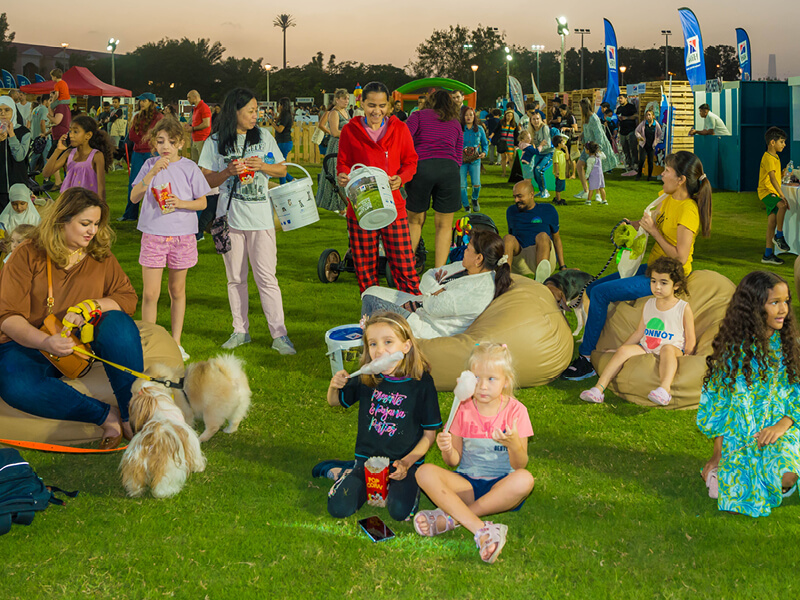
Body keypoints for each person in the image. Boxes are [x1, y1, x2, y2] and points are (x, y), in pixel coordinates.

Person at [0, 188, 141, 448]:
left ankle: (131, 415)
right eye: (85, 223)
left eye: (97, 224)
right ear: (62, 220)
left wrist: (91, 306)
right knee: (16, 385)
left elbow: (126, 298)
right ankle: (103, 415)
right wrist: (45, 342)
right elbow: (7, 317)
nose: (92, 231)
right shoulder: (27, 254)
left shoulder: (100, 255)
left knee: (119, 325)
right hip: (26, 343)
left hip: (81, 341)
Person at [562, 151, 712, 381]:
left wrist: (654, 232)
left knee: (600, 293)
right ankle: (599, 342)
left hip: (667, 278)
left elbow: (681, 257)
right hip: (653, 269)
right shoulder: (666, 197)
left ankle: (587, 359)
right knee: (593, 289)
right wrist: (630, 224)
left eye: (667, 171)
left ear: (681, 179)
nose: (662, 175)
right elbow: (650, 223)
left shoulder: (688, 211)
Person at [414, 342, 534, 563]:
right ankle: (482, 529)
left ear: (505, 381)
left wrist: (514, 444)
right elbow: (453, 462)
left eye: (491, 379)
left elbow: (520, 466)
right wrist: (447, 449)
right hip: (467, 483)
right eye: (477, 378)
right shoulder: (462, 408)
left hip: (502, 486)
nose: (483, 386)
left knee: (525, 480)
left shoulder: (517, 411)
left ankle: (453, 518)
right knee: (423, 473)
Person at [199, 88, 295, 354]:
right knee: (236, 278)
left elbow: (283, 169)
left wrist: (261, 166)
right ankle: (240, 331)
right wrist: (227, 172)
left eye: (257, 110)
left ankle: (279, 334)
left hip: (261, 219)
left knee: (267, 277)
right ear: (235, 112)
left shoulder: (264, 137)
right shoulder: (216, 141)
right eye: (251, 111)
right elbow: (205, 179)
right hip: (230, 219)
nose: (256, 115)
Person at [698, 271, 800, 517]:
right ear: (753, 307)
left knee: (786, 477)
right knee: (740, 479)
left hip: (787, 426)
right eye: (774, 303)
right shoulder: (734, 352)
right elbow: (719, 406)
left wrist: (780, 426)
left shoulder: (790, 347)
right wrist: (717, 455)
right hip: (744, 436)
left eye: (785, 301)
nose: (783, 309)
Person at [322, 312, 441, 521]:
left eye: (388, 342)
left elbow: (429, 434)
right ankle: (345, 471)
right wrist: (334, 387)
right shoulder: (367, 377)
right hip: (368, 461)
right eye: (373, 344)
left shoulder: (422, 382)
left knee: (400, 512)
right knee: (339, 508)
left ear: (406, 346)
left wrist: (406, 463)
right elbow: (334, 401)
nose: (380, 350)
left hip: (404, 463)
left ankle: (400, 483)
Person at [131, 117, 210, 361]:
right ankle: (149, 342)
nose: (165, 146)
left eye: (171, 142)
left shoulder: (189, 168)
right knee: (150, 293)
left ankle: (176, 342)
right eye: (161, 141)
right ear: (154, 142)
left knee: (177, 290)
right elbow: (134, 197)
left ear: (181, 143)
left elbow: (203, 201)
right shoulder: (149, 165)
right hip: (154, 234)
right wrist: (152, 172)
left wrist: (181, 203)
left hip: (182, 235)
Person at [336, 81, 421, 295]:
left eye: (382, 105)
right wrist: (343, 175)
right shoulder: (350, 130)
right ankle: (372, 318)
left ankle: (414, 315)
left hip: (394, 207)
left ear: (389, 106)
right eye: (371, 105)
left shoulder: (400, 128)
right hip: (361, 207)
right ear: (362, 104)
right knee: (365, 272)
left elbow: (411, 161)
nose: (377, 111)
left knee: (405, 267)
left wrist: (401, 178)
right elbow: (343, 162)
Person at [580, 257, 695, 406]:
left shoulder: (682, 307)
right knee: (623, 351)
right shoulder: (649, 303)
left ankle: (664, 390)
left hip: (672, 349)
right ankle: (598, 389)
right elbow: (639, 332)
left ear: (677, 285)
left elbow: (690, 337)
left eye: (663, 283)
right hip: (648, 347)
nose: (657, 287)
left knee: (667, 349)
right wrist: (620, 348)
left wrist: (688, 356)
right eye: (653, 281)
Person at [359, 230, 512, 339]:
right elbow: (429, 274)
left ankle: (369, 350)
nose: (464, 250)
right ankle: (373, 341)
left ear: (478, 258)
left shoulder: (479, 290)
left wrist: (430, 295)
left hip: (430, 327)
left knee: (373, 302)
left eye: (468, 248)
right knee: (370, 292)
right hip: (420, 304)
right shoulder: (464, 266)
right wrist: (436, 290)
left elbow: (433, 308)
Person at [405, 89, 463, 268]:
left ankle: (406, 268)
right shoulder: (455, 123)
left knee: (415, 221)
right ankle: (439, 272)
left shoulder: (418, 116)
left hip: (422, 167)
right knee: (444, 225)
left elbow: (404, 139)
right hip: (449, 169)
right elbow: (459, 155)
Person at [504, 179, 566, 283]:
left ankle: (541, 279)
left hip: (544, 255)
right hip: (521, 257)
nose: (516, 200)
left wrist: (563, 267)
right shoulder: (511, 211)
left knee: (542, 236)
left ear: (531, 195)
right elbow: (511, 239)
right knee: (508, 238)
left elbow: (556, 239)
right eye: (514, 197)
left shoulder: (548, 210)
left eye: (519, 196)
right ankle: (504, 278)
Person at [42, 115, 113, 201]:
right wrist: (58, 150)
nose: (71, 135)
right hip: (69, 203)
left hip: (88, 203)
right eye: (70, 131)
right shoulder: (69, 154)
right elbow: (46, 173)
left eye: (75, 132)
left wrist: (101, 207)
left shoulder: (96, 156)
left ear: (88, 135)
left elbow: (101, 186)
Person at [120, 92, 163, 221]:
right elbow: (132, 135)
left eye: (144, 101)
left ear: (151, 102)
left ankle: (157, 214)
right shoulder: (137, 116)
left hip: (153, 153)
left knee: (157, 183)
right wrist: (145, 138)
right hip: (138, 153)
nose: (141, 103)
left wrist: (144, 139)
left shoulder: (159, 117)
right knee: (134, 183)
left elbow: (155, 135)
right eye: (140, 101)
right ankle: (130, 214)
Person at [575, 98, 617, 201]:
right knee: (580, 166)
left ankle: (596, 193)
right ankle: (586, 190)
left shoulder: (593, 118)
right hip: (587, 148)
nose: (579, 108)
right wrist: (581, 137)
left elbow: (599, 135)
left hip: (594, 148)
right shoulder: (586, 118)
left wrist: (597, 150)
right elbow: (587, 132)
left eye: (580, 106)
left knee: (595, 170)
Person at [316, 89, 350, 215]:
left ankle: (343, 204)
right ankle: (338, 206)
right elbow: (335, 132)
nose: (347, 101)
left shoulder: (345, 112)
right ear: (337, 99)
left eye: (347, 98)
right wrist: (349, 133)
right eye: (344, 98)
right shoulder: (334, 113)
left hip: (345, 146)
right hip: (336, 146)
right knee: (336, 173)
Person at [758, 127, 790, 265]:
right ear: (772, 142)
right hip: (766, 191)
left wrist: (783, 173)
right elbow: (771, 179)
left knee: (771, 223)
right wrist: (782, 195)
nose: (784, 144)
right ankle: (779, 236)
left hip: (772, 191)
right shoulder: (769, 157)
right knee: (782, 205)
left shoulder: (775, 157)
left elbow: (775, 176)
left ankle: (767, 255)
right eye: (782, 142)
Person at [0, 96, 31, 213]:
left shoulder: (23, 132)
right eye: (0, 110)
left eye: (7, 110)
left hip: (17, 184)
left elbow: (19, 156)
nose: (3, 113)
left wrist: (12, 135)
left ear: (13, 110)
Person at [459, 107, 488, 212]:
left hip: (475, 160)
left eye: (471, 115)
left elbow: (485, 144)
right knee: (462, 186)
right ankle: (466, 206)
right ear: (463, 116)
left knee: (476, 184)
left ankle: (474, 199)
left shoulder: (479, 129)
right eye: (466, 115)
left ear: (474, 116)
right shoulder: (459, 128)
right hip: (461, 161)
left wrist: (484, 152)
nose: (468, 117)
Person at [521, 111, 553, 198]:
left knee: (539, 170)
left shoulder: (545, 128)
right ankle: (541, 190)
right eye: (534, 119)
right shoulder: (530, 130)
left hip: (548, 153)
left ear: (541, 119)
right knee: (534, 171)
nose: (536, 121)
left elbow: (548, 144)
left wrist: (539, 148)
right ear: (530, 120)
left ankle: (545, 191)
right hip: (538, 153)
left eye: (538, 119)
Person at [269, 97, 294, 184]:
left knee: (280, 165)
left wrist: (272, 124)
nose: (278, 107)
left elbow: (280, 129)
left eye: (279, 105)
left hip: (284, 142)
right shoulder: (284, 115)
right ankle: (290, 180)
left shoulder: (285, 115)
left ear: (283, 105)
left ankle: (286, 182)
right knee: (280, 164)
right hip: (283, 142)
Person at [635, 109, 663, 181]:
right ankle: (639, 174)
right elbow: (637, 131)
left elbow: (660, 135)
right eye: (647, 115)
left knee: (650, 161)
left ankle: (649, 176)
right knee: (641, 160)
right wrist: (640, 137)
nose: (648, 117)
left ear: (653, 116)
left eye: (649, 115)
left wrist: (656, 142)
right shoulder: (643, 123)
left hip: (651, 145)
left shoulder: (656, 124)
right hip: (643, 145)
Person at [185, 90, 212, 163]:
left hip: (202, 139)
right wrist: (189, 126)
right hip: (195, 139)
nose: (188, 100)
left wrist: (193, 128)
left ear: (195, 97)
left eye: (189, 97)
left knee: (203, 162)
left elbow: (206, 124)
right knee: (195, 161)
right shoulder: (196, 108)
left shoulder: (204, 107)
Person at [28, 94, 52, 172]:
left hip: (35, 137)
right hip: (43, 138)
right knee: (47, 158)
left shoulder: (35, 109)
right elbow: (42, 123)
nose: (50, 103)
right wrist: (45, 134)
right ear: (45, 101)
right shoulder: (45, 109)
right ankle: (46, 178)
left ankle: (29, 174)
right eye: (50, 101)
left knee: (34, 158)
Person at [617, 94, 639, 175]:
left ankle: (635, 164)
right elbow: (617, 119)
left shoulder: (631, 107)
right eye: (619, 98)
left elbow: (636, 116)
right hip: (622, 131)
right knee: (625, 149)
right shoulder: (619, 109)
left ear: (626, 98)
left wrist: (626, 118)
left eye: (621, 98)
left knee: (633, 148)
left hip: (631, 130)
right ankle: (628, 164)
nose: (620, 100)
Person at [584, 141, 608, 206]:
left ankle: (588, 200)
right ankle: (604, 200)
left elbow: (589, 170)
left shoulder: (590, 159)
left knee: (591, 188)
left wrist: (586, 177)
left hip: (593, 176)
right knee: (601, 188)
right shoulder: (599, 156)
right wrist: (600, 152)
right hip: (600, 175)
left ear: (588, 150)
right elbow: (604, 156)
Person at [496, 110, 518, 177]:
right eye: (508, 115)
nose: (509, 117)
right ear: (505, 116)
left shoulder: (514, 124)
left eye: (511, 116)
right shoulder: (501, 123)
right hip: (503, 142)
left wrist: (515, 144)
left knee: (511, 158)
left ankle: (512, 173)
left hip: (510, 142)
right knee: (503, 158)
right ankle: (504, 172)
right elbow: (496, 130)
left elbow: (516, 135)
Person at [552, 135, 567, 206]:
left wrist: (566, 150)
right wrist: (557, 172)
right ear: (559, 144)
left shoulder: (561, 152)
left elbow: (567, 158)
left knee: (560, 186)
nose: (564, 143)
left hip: (562, 173)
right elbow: (556, 163)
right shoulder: (556, 152)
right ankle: (558, 200)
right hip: (559, 173)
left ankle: (556, 197)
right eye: (563, 142)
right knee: (558, 187)